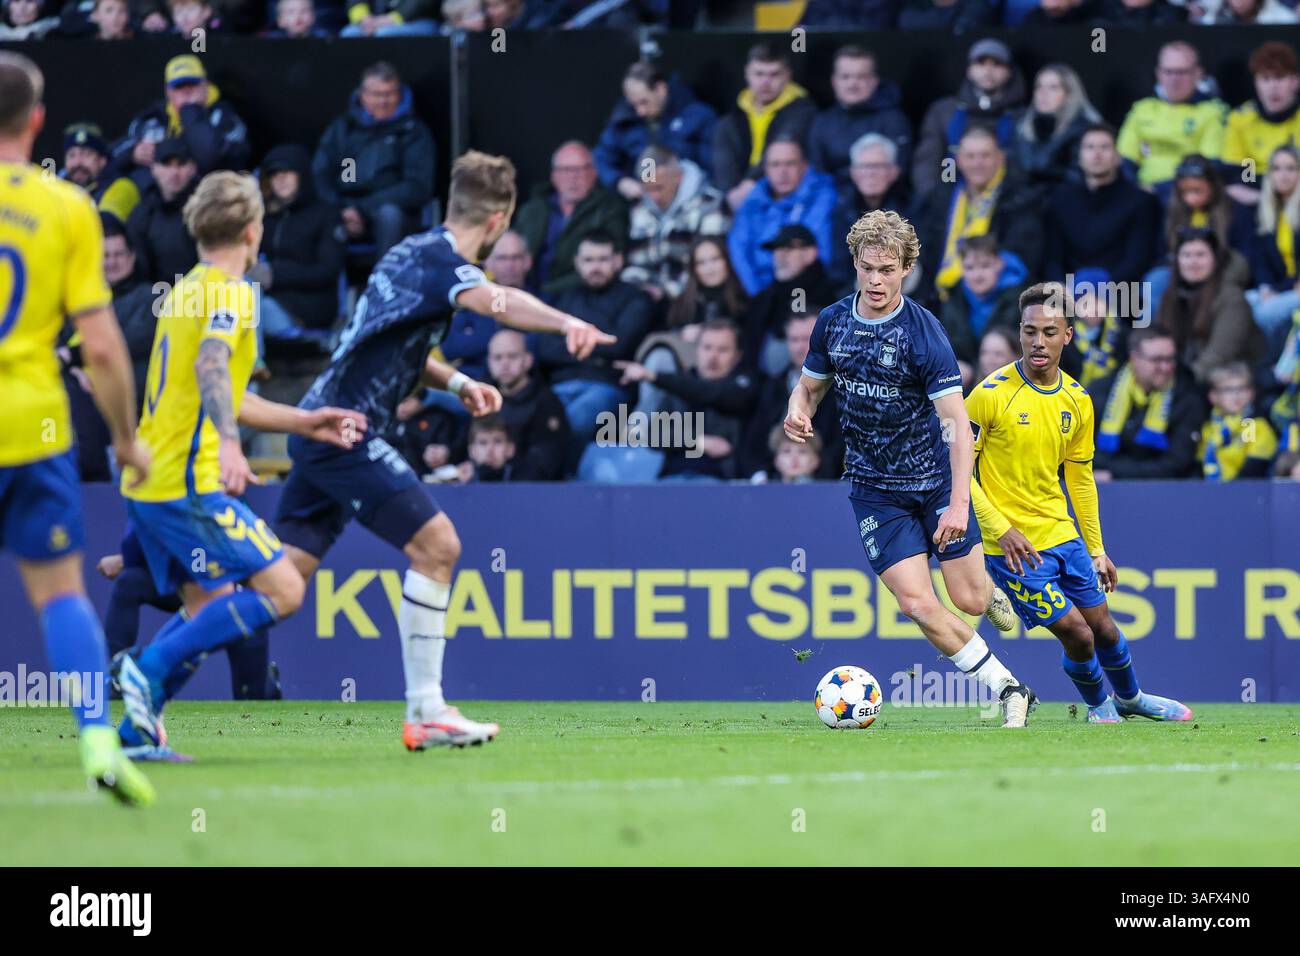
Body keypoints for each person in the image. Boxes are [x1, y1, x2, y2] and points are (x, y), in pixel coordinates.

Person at [270, 151, 614, 750]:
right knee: (439, 547)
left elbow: (393, 348)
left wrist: (457, 382)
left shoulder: (408, 252)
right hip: (346, 430)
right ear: (501, 218)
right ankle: (426, 709)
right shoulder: (445, 264)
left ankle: (151, 668)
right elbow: (497, 302)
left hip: (324, 430)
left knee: (282, 585)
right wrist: (566, 324)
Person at [112, 171, 369, 758]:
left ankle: (135, 731)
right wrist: (230, 444)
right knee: (282, 588)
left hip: (151, 479)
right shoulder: (232, 292)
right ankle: (145, 669)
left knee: (210, 604)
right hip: (187, 479)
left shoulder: (187, 288)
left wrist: (305, 420)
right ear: (255, 230)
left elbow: (227, 388)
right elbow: (211, 367)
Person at [783, 210, 1031, 727]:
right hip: (875, 490)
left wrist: (960, 505)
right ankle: (1009, 689)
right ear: (855, 263)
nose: (876, 280)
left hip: (935, 482)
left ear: (906, 269)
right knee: (917, 604)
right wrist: (798, 409)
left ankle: (988, 590)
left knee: (968, 597)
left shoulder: (924, 334)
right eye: (868, 268)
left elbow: (959, 427)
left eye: (888, 270)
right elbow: (810, 385)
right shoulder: (832, 322)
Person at [0, 51, 154, 803]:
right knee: (61, 593)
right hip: (33, 425)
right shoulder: (67, 207)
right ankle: (98, 739)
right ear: (36, 121)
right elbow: (100, 343)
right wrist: (126, 438)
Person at [968, 282, 1193, 723]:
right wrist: (999, 529)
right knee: (1078, 633)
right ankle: (1096, 706)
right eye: (1030, 331)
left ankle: (1132, 699)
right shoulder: (989, 394)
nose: (1038, 341)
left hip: (1063, 535)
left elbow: (1080, 479)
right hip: (1013, 547)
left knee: (1105, 628)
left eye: (1049, 332)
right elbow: (960, 475)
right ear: (1020, 332)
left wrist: (1096, 548)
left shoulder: (1078, 400)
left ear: (1067, 335)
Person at [313, 61, 435, 258]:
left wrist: (362, 208)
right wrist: (342, 209)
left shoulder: (413, 131)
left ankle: (386, 281)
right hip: (343, 208)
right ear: (362, 94)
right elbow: (320, 174)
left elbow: (417, 186)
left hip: (390, 212)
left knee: (390, 215)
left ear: (400, 94)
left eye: (389, 94)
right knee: (316, 216)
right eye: (376, 94)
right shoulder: (343, 128)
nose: (383, 101)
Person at [915, 126, 1043, 304]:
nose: (977, 163)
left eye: (985, 156)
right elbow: (926, 248)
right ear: (959, 160)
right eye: (970, 156)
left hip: (998, 301)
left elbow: (1021, 257)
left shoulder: (1020, 199)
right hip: (940, 297)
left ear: (1000, 158)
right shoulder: (943, 197)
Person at [1042, 123, 1161, 287]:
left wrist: (1104, 292)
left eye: (1105, 147)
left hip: (1122, 294)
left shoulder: (1141, 201)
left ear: (1118, 156)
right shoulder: (1060, 199)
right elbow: (1052, 257)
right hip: (1068, 294)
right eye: (1089, 147)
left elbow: (1138, 259)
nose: (1097, 154)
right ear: (1079, 157)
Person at [107, 55, 249, 190]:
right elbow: (107, 156)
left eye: (192, 84)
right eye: (179, 87)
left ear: (206, 85)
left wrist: (190, 111)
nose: (186, 92)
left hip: (210, 195)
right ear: (168, 91)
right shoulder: (152, 119)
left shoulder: (226, 118)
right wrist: (133, 153)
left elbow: (210, 159)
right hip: (157, 199)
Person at [252, 143, 346, 339]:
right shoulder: (265, 217)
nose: (281, 179)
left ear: (302, 175)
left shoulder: (327, 214)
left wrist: (275, 274)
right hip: (268, 298)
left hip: (310, 307)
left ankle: (255, 367)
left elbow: (328, 271)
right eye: (275, 174)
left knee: (249, 311)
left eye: (288, 172)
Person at [911, 37, 1026, 196]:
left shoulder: (1023, 116)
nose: (988, 71)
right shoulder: (944, 110)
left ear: (1008, 72)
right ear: (969, 71)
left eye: (997, 64)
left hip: (1005, 200)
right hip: (949, 199)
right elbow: (927, 162)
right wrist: (932, 200)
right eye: (981, 63)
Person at [512, 140, 628, 296]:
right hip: (525, 295)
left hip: (581, 297)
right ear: (554, 176)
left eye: (580, 170)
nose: (573, 177)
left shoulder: (609, 210)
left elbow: (613, 263)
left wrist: (547, 293)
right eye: (566, 170)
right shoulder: (532, 209)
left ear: (594, 173)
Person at [1090, 328, 1207, 480]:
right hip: (1106, 491)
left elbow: (1178, 462)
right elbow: (1083, 451)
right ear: (1134, 359)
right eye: (1157, 360)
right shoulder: (1100, 391)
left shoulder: (1187, 398)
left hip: (1165, 492)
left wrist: (1115, 474)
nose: (1165, 368)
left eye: (1170, 359)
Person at [712, 42, 816, 212]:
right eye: (759, 74)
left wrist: (749, 186)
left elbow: (780, 153)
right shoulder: (731, 119)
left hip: (786, 196)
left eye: (774, 74)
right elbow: (723, 162)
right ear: (747, 74)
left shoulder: (803, 111)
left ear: (787, 75)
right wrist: (730, 194)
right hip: (737, 198)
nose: (765, 82)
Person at [727, 136, 837, 296]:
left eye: (790, 163)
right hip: (760, 293)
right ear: (765, 169)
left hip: (804, 292)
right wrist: (760, 297)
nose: (782, 172)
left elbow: (820, 254)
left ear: (804, 166)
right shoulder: (752, 201)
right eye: (775, 164)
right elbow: (739, 252)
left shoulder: (821, 196)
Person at [593, 60, 717, 200]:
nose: (640, 111)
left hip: (690, 200)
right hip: (643, 202)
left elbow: (712, 167)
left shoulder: (696, 115)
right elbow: (602, 157)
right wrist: (620, 182)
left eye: (644, 102)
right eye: (634, 104)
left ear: (660, 89)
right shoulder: (625, 120)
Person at [1155, 227, 1264, 384]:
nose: (1193, 262)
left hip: (1231, 383)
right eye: (1186, 255)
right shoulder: (1169, 296)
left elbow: (1220, 356)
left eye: (1200, 255)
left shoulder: (1232, 299)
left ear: (1215, 260)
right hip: (1185, 380)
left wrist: (1180, 383)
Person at [620, 144, 729, 302]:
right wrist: (642, 286)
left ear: (679, 176)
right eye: (647, 189)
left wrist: (665, 291)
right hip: (649, 296)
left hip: (694, 298)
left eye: (659, 188)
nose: (653, 197)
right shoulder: (641, 208)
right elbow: (637, 261)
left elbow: (709, 268)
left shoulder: (710, 205)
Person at [1116, 42, 1227, 195]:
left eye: (1182, 72)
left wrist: (1157, 189)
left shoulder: (1213, 112)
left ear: (1198, 74)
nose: (1174, 79)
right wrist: (1134, 189)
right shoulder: (1142, 109)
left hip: (1186, 194)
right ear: (1158, 74)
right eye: (1168, 72)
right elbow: (1125, 160)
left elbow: (1209, 167)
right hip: (1140, 193)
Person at [807, 46, 912, 188]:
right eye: (845, 77)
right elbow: (816, 174)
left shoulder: (894, 121)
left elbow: (898, 172)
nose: (852, 84)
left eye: (861, 77)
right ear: (834, 81)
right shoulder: (822, 122)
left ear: (874, 81)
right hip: (831, 202)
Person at [1221, 42, 1300, 207]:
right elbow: (1242, 177)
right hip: (1256, 195)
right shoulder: (1240, 119)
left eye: (1279, 78)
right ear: (1256, 83)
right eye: (1265, 79)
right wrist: (1268, 199)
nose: (1273, 87)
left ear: (1295, 81)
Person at [485, 329, 569, 480]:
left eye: (512, 356)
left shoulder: (547, 403)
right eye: (498, 358)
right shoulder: (482, 399)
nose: (504, 364)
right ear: (489, 362)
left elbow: (546, 462)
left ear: (528, 360)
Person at [831, 133, 912, 285]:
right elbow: (839, 270)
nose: (871, 173)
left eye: (878, 166)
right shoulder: (842, 210)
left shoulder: (912, 208)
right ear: (853, 173)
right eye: (864, 166)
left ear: (893, 171)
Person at [938, 234, 1029, 368]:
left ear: (1000, 264)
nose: (977, 275)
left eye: (985, 266)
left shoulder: (1023, 299)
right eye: (969, 268)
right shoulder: (952, 298)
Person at [1009, 64, 1100, 191]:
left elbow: (1082, 179)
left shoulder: (1086, 130)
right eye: (1039, 87)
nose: (1043, 93)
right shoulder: (1023, 126)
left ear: (1069, 94)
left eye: (1053, 88)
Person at [124, 136, 198, 285]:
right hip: (159, 300)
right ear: (154, 169)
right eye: (166, 165)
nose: (174, 172)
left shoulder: (207, 210)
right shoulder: (142, 215)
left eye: (181, 164)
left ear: (192, 168)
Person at [1250, 145, 1300, 353]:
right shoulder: (1268, 211)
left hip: (1293, 288)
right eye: (1276, 168)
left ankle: (1270, 367)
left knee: (1266, 313)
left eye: (1291, 168)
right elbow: (1259, 259)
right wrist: (1266, 287)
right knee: (1246, 301)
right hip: (1283, 287)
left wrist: (1278, 291)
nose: (1283, 175)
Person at [1199, 362, 1279, 481]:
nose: (1236, 395)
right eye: (1228, 390)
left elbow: (1254, 468)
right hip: (1208, 491)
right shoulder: (1209, 427)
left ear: (1251, 394)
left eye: (1242, 389)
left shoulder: (1252, 425)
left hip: (1242, 492)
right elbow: (1198, 466)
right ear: (1213, 396)